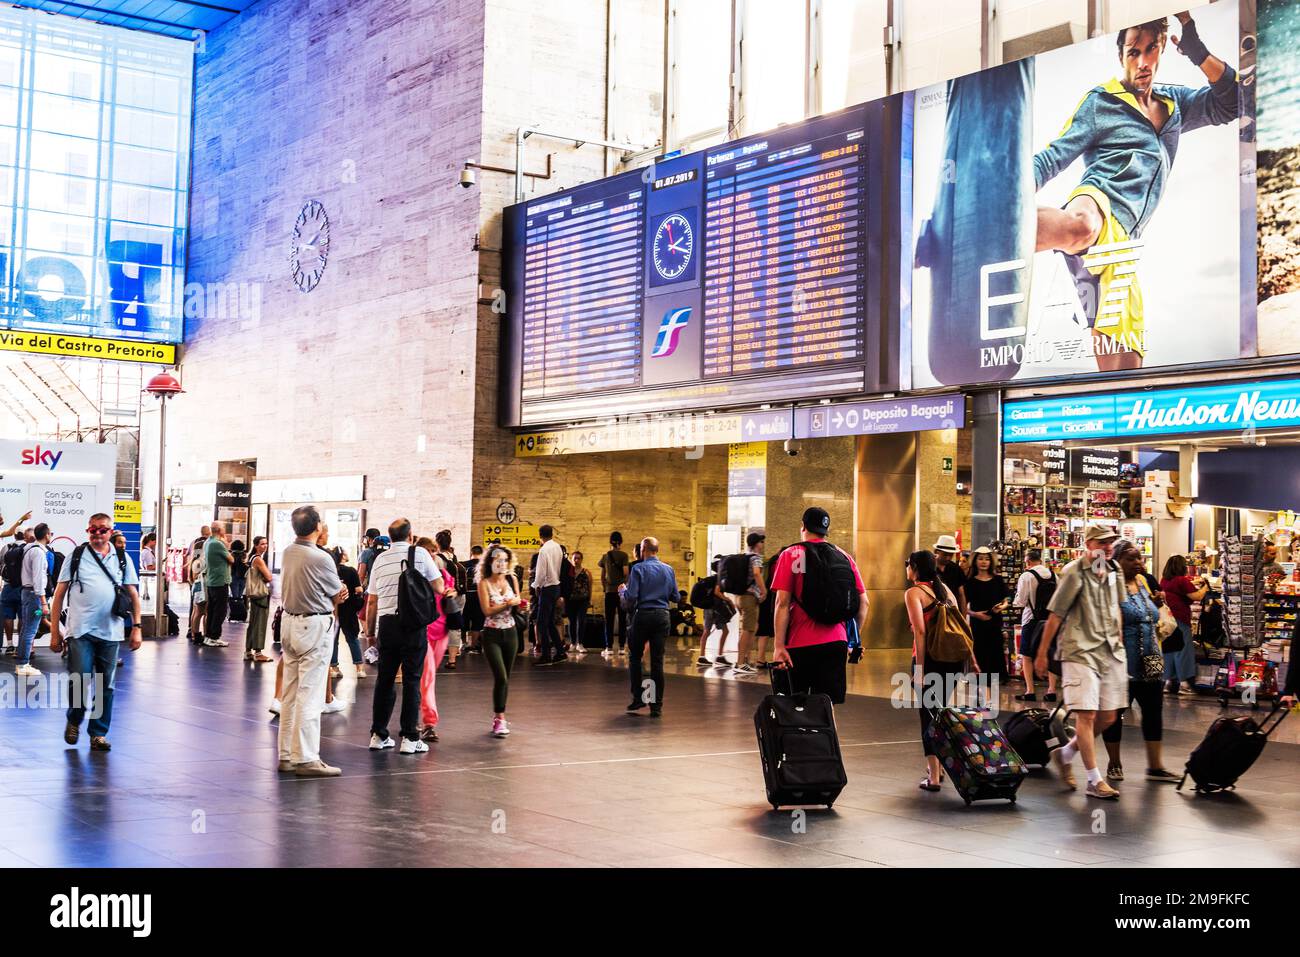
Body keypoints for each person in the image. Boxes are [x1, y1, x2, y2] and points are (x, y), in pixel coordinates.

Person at [1034, 12, 1239, 371]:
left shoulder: (1175, 104)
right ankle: (991, 227)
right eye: (1133, 52)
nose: (1142, 62)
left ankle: (1113, 424)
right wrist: (1006, 193)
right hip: (1097, 200)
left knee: (1128, 363)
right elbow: (1053, 157)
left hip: (1124, 243)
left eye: (1149, 51)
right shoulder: (1101, 102)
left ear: (1161, 49)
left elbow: (1233, 101)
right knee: (1082, 226)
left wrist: (1195, 48)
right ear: (1121, 55)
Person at [1034, 524, 1126, 800]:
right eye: (1102, 542)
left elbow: (1116, 609)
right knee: (1086, 715)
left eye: (1111, 542)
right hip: (1079, 650)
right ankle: (1094, 780)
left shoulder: (1114, 572)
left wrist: (1119, 641)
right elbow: (1056, 615)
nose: (1108, 546)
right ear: (1088, 544)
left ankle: (1066, 753)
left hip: (1109, 650)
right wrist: (1041, 652)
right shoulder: (1073, 572)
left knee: (1109, 716)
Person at [49, 513, 141, 751]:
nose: (97, 534)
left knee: (105, 686)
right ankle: (75, 718)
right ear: (88, 531)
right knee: (79, 678)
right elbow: (59, 594)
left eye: (102, 530)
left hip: (110, 632)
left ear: (111, 532)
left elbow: (133, 594)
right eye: (93, 530)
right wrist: (55, 633)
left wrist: (137, 628)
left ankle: (98, 733)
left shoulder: (121, 558)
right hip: (80, 630)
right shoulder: (77, 555)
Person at [1100, 539, 1180, 783]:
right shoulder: (1110, 587)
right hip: (1122, 659)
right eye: (1131, 558)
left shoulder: (1144, 582)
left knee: (1153, 711)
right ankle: (1114, 763)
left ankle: (1155, 766)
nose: (1137, 562)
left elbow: (1153, 614)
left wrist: (1155, 604)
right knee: (1115, 712)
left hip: (1151, 657)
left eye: (1139, 558)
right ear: (1117, 561)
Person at [276, 505, 348, 777]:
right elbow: (336, 591)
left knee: (290, 694)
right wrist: (339, 592)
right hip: (314, 625)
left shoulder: (288, 552)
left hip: (290, 623)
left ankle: (286, 755)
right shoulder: (321, 558)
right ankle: (306, 758)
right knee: (311, 693)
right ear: (317, 526)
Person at [770, 508, 868, 704]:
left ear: (803, 526)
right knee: (826, 707)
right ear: (826, 530)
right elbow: (864, 602)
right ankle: (828, 736)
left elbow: (782, 603)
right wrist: (850, 641)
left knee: (797, 706)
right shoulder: (844, 556)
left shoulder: (792, 554)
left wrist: (779, 646)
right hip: (836, 643)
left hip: (800, 644)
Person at [365, 518, 444, 754]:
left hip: (386, 625)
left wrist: (370, 632)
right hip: (412, 625)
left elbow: (372, 599)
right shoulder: (420, 554)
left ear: (390, 537)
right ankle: (410, 738)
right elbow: (439, 586)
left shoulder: (379, 559)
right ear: (410, 536)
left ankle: (378, 735)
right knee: (412, 679)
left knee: (385, 680)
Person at [905, 550, 975, 792]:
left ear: (914, 568)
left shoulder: (914, 593)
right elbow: (962, 627)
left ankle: (934, 776)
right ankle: (942, 766)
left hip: (930, 660)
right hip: (952, 662)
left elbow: (920, 632)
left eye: (908, 565)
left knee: (928, 716)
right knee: (940, 712)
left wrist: (921, 670)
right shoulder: (945, 591)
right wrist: (972, 660)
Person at [623, 536, 677, 717]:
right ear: (657, 550)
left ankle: (639, 698)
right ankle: (656, 706)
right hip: (662, 616)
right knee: (657, 662)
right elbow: (676, 597)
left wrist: (622, 591)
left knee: (636, 657)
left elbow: (631, 597)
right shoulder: (669, 570)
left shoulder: (638, 569)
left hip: (643, 615)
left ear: (643, 550)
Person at [478, 545, 522, 737]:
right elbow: (486, 610)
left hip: (511, 632)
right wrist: (507, 603)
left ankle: (500, 714)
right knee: (501, 676)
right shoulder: (484, 583)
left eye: (504, 560)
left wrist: (520, 604)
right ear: (490, 562)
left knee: (506, 678)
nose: (501, 563)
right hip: (492, 634)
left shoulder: (512, 579)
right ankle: (499, 718)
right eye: (497, 559)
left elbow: (518, 600)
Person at [416, 536, 456, 742]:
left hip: (441, 633)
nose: (431, 554)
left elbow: (451, 591)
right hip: (422, 631)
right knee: (428, 677)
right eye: (426, 551)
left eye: (433, 550)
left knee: (425, 679)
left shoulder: (444, 575)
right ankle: (429, 722)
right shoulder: (415, 577)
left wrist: (451, 593)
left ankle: (413, 713)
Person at [717, 531, 768, 676]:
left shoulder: (744, 556)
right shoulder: (756, 558)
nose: (763, 544)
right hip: (749, 597)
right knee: (747, 629)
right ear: (756, 544)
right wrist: (764, 591)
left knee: (751, 628)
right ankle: (740, 663)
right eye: (761, 542)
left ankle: (744, 661)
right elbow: (757, 573)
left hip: (740, 597)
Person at [1013, 548, 1059, 702]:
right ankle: (1051, 690)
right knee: (1051, 653)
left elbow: (1021, 601)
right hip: (1050, 620)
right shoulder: (1054, 575)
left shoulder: (1026, 576)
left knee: (1026, 656)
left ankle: (1030, 691)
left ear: (1028, 561)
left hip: (1031, 620)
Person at [1159, 554, 1206, 695]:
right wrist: (1205, 588)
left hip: (1167, 619)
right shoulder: (1181, 580)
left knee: (1169, 651)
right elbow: (1196, 596)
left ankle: (1168, 681)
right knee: (1183, 651)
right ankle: (1184, 683)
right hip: (1180, 618)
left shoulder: (1164, 580)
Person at [965, 546, 1009, 681]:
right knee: (979, 649)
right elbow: (962, 606)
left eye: (986, 559)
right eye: (980, 559)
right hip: (977, 622)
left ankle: (997, 677)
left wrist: (1001, 607)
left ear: (991, 562)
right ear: (975, 561)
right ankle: (980, 675)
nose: (984, 562)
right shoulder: (970, 582)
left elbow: (1006, 600)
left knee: (995, 648)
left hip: (995, 620)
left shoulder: (998, 580)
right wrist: (975, 614)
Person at [15, 522, 52, 677]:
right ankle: (23, 664)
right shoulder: (38, 553)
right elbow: (38, 579)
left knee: (26, 629)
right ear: (46, 535)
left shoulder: (29, 549)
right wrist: (43, 602)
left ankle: (22, 663)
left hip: (27, 593)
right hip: (34, 596)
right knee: (30, 629)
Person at [532, 524, 566, 665]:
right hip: (556, 586)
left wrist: (536, 586)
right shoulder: (558, 547)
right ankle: (560, 651)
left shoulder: (543, 550)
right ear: (552, 534)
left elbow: (540, 572)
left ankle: (546, 656)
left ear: (540, 535)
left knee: (541, 623)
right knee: (550, 622)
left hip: (547, 588)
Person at [331, 549, 365, 678]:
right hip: (348, 610)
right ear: (343, 556)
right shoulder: (351, 571)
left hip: (333, 609)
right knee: (352, 639)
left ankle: (334, 668)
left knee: (333, 640)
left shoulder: (331, 571)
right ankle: (359, 669)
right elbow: (358, 589)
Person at [434, 530, 465, 670]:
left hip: (444, 596)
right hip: (459, 595)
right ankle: (452, 659)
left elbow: (435, 579)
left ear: (437, 543)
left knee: (437, 624)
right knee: (455, 626)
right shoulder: (454, 557)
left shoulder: (438, 559)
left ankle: (435, 656)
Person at [202, 521, 234, 648]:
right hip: (220, 581)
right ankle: (214, 636)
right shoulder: (217, 544)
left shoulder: (208, 542)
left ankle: (208, 636)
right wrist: (225, 543)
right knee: (220, 611)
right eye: (223, 528)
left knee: (212, 610)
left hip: (212, 580)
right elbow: (231, 559)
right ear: (220, 530)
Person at [243, 536, 274, 663]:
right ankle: (258, 652)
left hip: (253, 595)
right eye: (262, 544)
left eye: (266, 544)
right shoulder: (258, 560)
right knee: (260, 623)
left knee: (253, 622)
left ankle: (248, 651)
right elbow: (269, 577)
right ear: (256, 545)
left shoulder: (251, 558)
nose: (265, 546)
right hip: (260, 594)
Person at [599, 531, 630, 658]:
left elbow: (602, 576)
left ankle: (609, 647)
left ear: (610, 541)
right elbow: (626, 573)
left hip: (609, 591)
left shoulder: (605, 556)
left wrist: (605, 586)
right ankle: (622, 647)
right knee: (622, 619)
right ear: (621, 542)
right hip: (621, 592)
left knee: (609, 620)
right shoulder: (624, 555)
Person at [933, 535, 969, 616]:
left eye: (950, 555)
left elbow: (961, 595)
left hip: (953, 612)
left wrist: (963, 617)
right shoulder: (929, 568)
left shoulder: (956, 569)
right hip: (934, 612)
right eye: (945, 555)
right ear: (937, 552)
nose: (948, 558)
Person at [187, 526, 210, 642]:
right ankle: (201, 634)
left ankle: (194, 633)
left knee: (196, 611)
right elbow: (198, 576)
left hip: (196, 588)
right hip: (202, 588)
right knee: (203, 611)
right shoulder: (199, 562)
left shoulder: (193, 561)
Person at [462, 543, 485, 654]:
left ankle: (464, 643)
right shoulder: (485, 566)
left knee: (464, 619)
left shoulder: (462, 565)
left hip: (466, 595)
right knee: (478, 620)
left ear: (471, 553)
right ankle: (474, 645)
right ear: (482, 553)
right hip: (479, 595)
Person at [568, 550, 592, 653]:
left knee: (581, 621)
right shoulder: (568, 572)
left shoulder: (586, 572)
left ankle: (580, 643)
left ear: (581, 559)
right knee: (572, 621)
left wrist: (589, 599)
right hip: (571, 600)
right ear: (572, 559)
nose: (576, 560)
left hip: (583, 600)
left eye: (578, 558)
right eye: (574, 558)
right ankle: (573, 643)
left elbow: (590, 586)